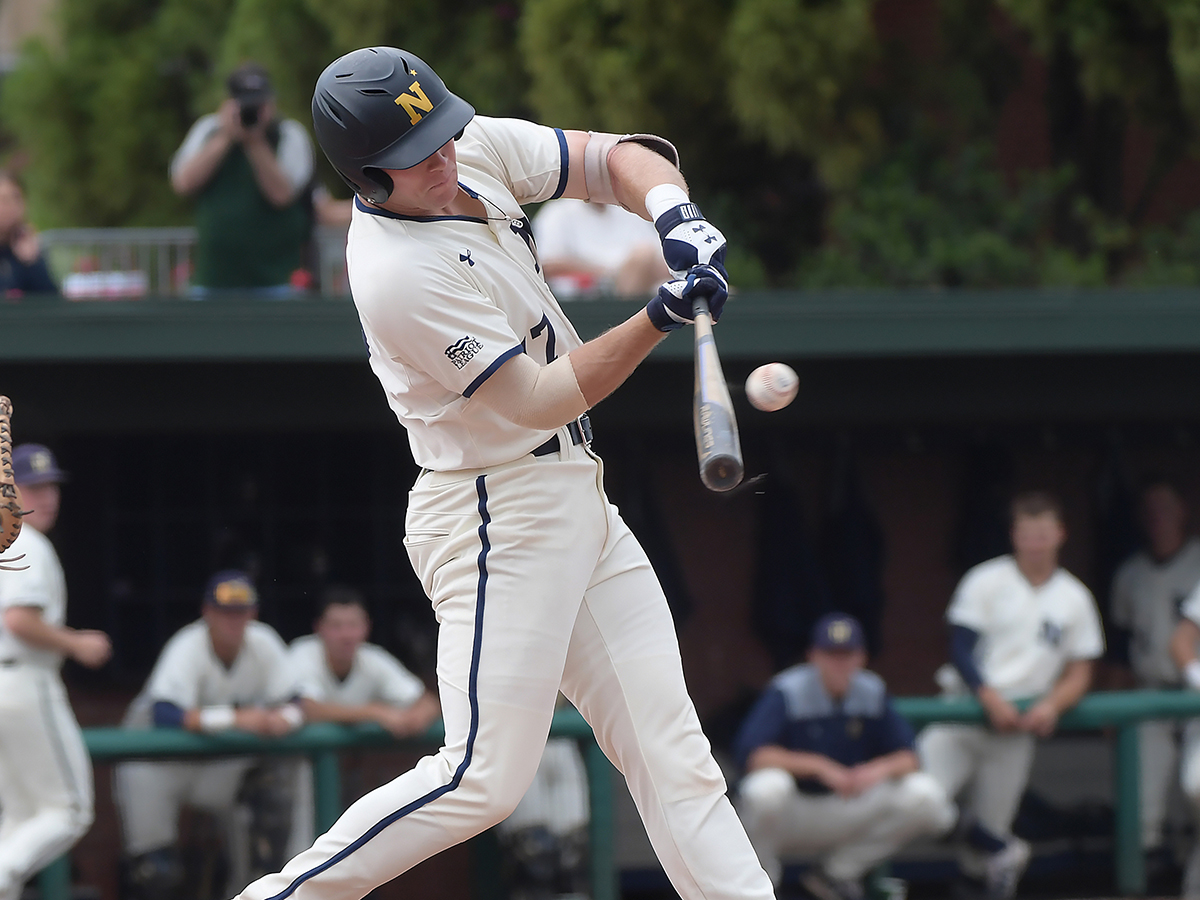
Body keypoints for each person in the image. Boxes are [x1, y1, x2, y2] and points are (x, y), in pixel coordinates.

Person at [233, 44, 770, 900]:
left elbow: (612, 158)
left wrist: (674, 213)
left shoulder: (464, 147)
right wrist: (658, 317)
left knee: (674, 754)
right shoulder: (395, 272)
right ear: (368, 177)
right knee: (482, 776)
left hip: (575, 494)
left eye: (443, 133)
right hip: (494, 507)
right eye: (417, 154)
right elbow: (538, 398)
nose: (444, 156)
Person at [919, 491, 1105, 900]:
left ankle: (991, 853)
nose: (1035, 543)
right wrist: (988, 698)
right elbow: (960, 649)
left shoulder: (1074, 597)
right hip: (963, 712)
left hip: (1017, 726)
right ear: (1014, 535)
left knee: (987, 844)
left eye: (1043, 534)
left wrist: (1052, 705)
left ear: (1060, 534)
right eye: (1027, 534)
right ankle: (1001, 848)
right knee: (919, 801)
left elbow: (1080, 672)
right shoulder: (986, 579)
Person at [732, 612, 954, 900]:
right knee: (766, 788)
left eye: (846, 655)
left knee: (924, 795)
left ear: (861, 657)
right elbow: (752, 755)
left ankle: (836, 874)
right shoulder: (788, 690)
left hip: (846, 803)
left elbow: (910, 757)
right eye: (831, 655)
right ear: (813, 656)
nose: (839, 664)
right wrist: (819, 766)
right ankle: (761, 886)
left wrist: (876, 770)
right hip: (795, 811)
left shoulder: (871, 690)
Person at [114, 570, 303, 900]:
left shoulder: (262, 641)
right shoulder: (188, 644)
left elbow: (296, 699)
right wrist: (238, 718)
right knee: (156, 873)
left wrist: (285, 719)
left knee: (268, 803)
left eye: (240, 611)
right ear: (207, 612)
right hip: (155, 762)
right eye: (225, 611)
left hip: (216, 762)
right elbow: (165, 714)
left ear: (253, 613)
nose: (234, 620)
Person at [0, 444, 111, 900]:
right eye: (33, 487)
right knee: (69, 810)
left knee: (21, 816)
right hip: (25, 680)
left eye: (51, 487)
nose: (46, 497)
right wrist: (76, 643)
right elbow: (18, 619)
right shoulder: (25, 539)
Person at [284, 585, 439, 856]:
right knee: (303, 844)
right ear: (319, 628)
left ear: (366, 628)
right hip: (290, 772)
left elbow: (427, 701)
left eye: (353, 625)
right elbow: (308, 708)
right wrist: (376, 712)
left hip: (351, 774)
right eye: (336, 626)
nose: (346, 635)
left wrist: (414, 719)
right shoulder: (303, 653)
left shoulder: (373, 658)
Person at [1109, 478, 1200, 856]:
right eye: (1149, 510)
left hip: (1195, 696)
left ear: (1183, 511)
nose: (1157, 517)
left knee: (1196, 789)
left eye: (1165, 507)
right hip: (1151, 691)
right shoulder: (1129, 573)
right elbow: (1119, 648)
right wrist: (1113, 706)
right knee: (1141, 802)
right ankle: (1140, 878)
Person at [170, 62, 314, 296]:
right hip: (213, 279)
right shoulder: (208, 130)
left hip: (275, 279)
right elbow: (183, 183)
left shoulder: (288, 134)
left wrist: (254, 142)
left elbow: (282, 195)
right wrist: (226, 137)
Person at [531, 197, 669, 298]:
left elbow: (660, 255)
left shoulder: (629, 209)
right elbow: (547, 265)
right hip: (587, 295)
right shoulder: (557, 212)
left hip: (639, 285)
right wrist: (608, 274)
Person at [0, 172, 58, 298]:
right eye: (4, 200)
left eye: (17, 198)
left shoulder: (26, 247)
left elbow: (52, 300)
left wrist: (32, 263)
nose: (12, 207)